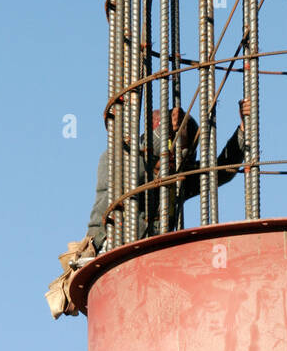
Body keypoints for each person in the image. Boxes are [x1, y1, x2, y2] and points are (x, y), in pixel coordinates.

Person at [87, 98, 249, 252]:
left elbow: (221, 171)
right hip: (108, 247)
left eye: (185, 152)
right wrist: (163, 133)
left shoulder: (176, 179)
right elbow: (130, 177)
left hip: (149, 255)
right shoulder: (117, 157)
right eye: (174, 147)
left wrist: (243, 128)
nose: (178, 157)